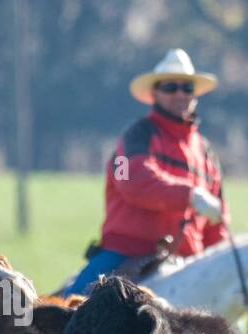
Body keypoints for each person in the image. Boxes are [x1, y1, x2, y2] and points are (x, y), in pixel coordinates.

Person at [65, 49, 228, 294]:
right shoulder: (135, 135)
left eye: (187, 88)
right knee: (73, 309)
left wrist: (221, 261)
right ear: (155, 94)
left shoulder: (206, 152)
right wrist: (190, 196)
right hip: (126, 253)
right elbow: (132, 182)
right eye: (171, 87)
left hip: (189, 262)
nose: (180, 94)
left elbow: (217, 221)